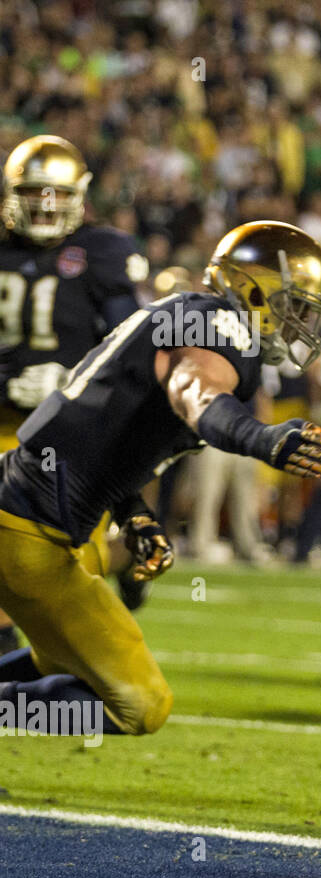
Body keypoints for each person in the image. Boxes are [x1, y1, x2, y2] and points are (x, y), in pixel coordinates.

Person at [0, 221, 321, 737]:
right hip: (29, 534)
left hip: (23, 513)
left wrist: (131, 511)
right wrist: (262, 440)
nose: (303, 324)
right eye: (297, 306)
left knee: (64, 661)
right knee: (139, 704)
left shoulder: (179, 314)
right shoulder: (217, 328)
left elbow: (96, 431)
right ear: (255, 291)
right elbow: (194, 392)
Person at [0, 135, 151, 627]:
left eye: (58, 195)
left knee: (67, 565)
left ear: (80, 195)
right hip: (4, 421)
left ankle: (128, 555)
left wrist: (73, 381)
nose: (45, 207)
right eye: (34, 193)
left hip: (68, 429)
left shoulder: (100, 250)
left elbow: (129, 345)